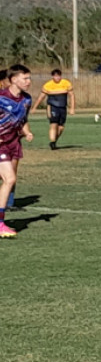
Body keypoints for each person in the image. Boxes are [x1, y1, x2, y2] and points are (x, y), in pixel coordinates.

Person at [0, 65, 34, 238]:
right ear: (13, 79)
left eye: (29, 78)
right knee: (9, 178)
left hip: (12, 144)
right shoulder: (1, 97)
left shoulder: (27, 99)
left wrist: (27, 132)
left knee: (9, 179)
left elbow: (22, 120)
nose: (29, 82)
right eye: (25, 78)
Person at [31, 69, 74, 150]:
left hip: (63, 107)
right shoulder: (48, 85)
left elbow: (72, 96)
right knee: (53, 124)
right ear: (52, 76)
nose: (57, 78)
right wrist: (34, 107)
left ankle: (53, 142)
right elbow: (41, 97)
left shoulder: (66, 83)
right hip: (52, 107)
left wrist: (72, 108)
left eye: (58, 76)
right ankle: (53, 143)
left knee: (61, 127)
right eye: (55, 76)